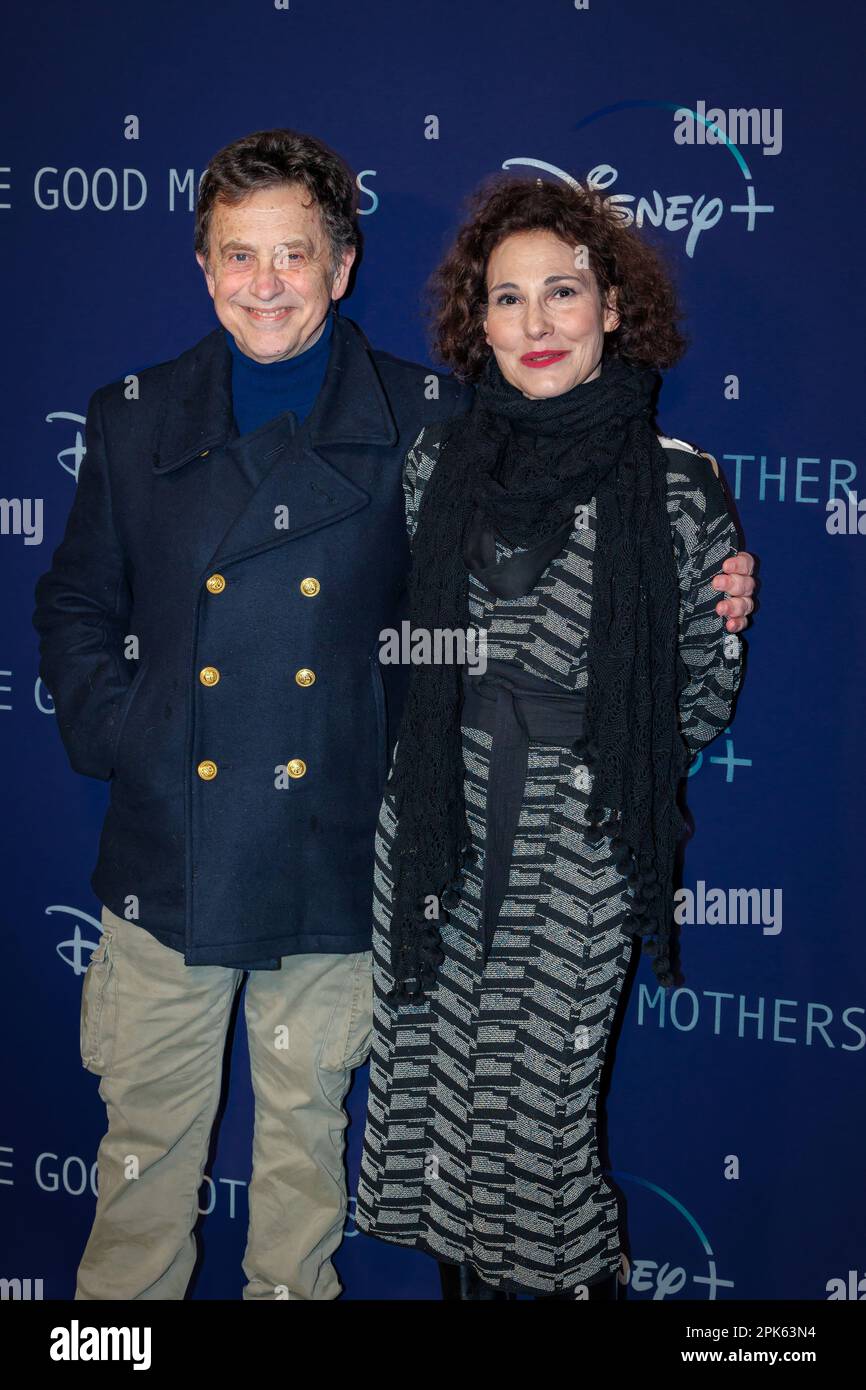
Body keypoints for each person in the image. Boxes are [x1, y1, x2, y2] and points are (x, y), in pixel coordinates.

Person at [32, 131, 755, 1302]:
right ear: (203, 267)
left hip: (331, 858)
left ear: (342, 264)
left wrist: (709, 596)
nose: (265, 284)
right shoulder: (130, 415)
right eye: (238, 256)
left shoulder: (427, 426)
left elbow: (501, 626)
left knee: (301, 1187)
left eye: (293, 255)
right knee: (138, 1185)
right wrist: (125, 737)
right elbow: (73, 601)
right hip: (167, 858)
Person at [355, 175, 747, 1300]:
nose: (535, 323)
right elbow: (415, 649)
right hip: (432, 827)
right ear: (474, 323)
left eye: (561, 292)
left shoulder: (676, 490)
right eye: (507, 298)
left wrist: (715, 624)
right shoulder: (441, 464)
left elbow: (699, 711)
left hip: (578, 844)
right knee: (438, 1118)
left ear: (611, 307)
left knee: (536, 1133)